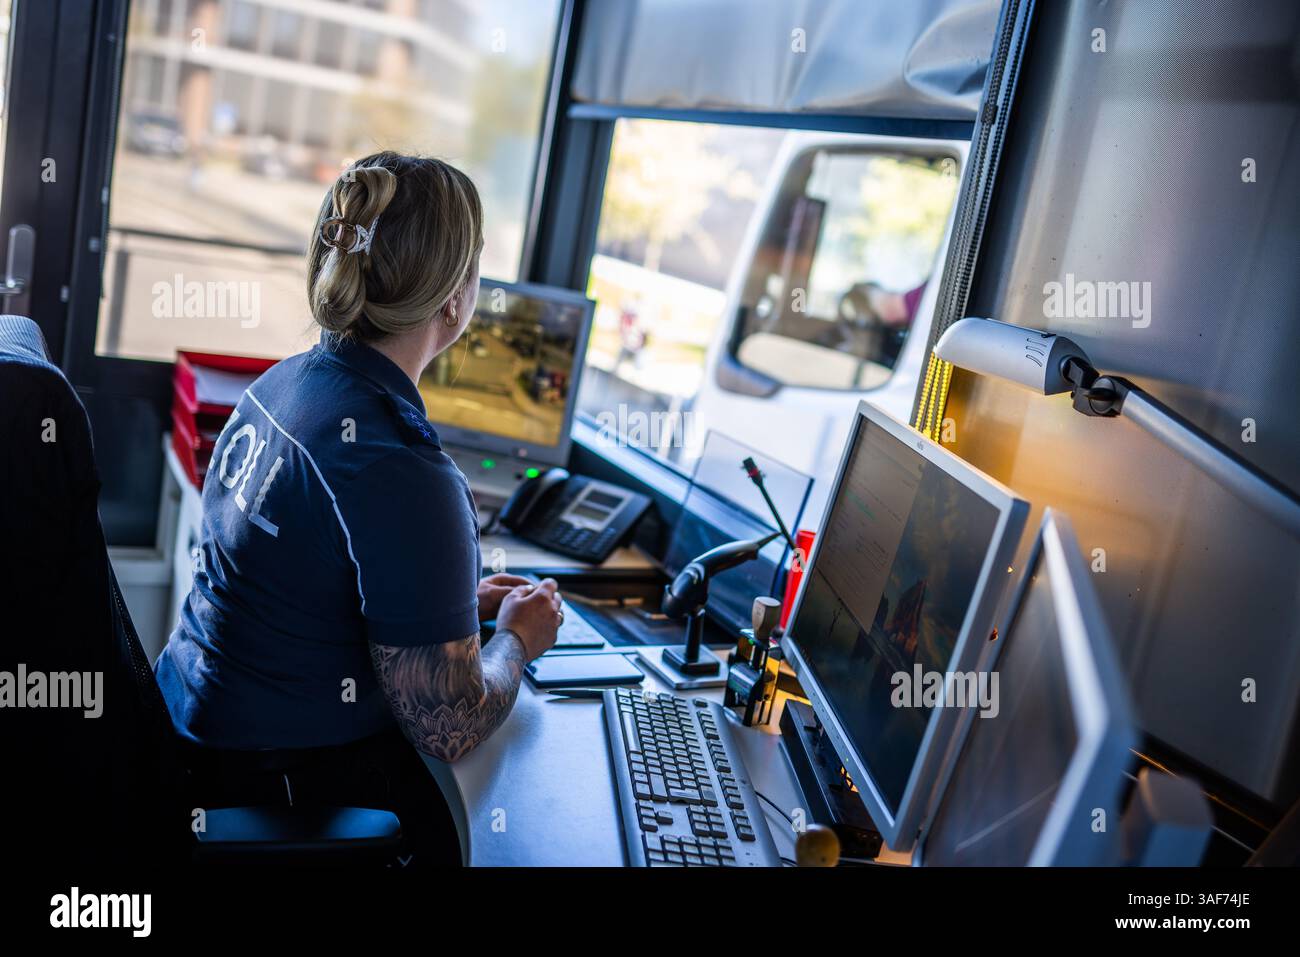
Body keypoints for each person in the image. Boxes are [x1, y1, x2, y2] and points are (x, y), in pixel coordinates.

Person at [154, 151, 561, 865]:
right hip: (269, 782)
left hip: (185, 730)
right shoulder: (401, 466)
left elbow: (303, 584)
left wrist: (445, 606)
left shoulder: (283, 384)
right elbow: (447, 723)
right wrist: (519, 638)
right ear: (455, 299)